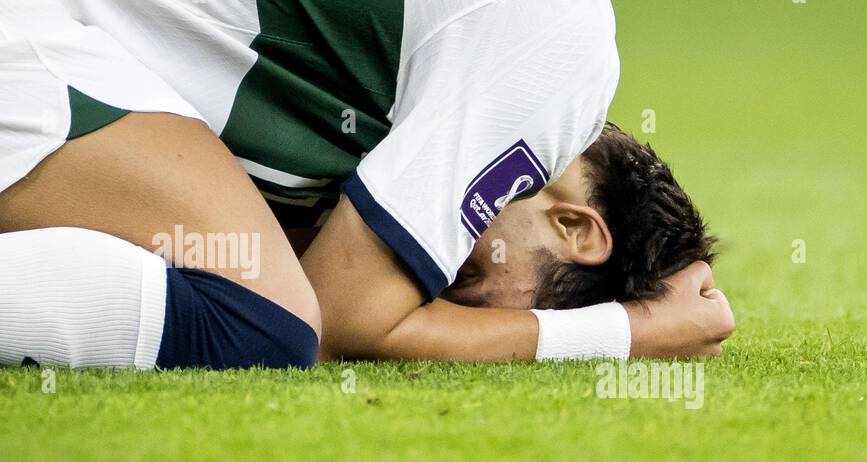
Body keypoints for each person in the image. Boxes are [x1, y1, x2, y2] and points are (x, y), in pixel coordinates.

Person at [0, 0, 733, 370]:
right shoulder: (561, 63)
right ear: (577, 229)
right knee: (268, 323)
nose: (438, 290)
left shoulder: (380, 122)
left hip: (56, 41)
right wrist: (629, 333)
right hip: (43, 35)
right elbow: (347, 313)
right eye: (473, 286)